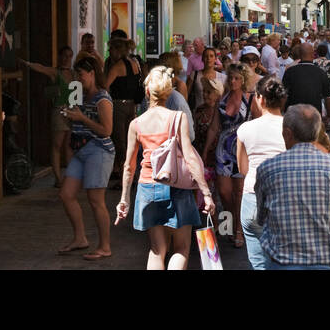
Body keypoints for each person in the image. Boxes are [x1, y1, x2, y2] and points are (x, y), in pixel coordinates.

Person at [115, 67, 214, 270]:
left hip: (147, 187)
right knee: (181, 248)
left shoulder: (136, 123)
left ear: (147, 92)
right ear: (169, 92)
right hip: (176, 186)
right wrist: (206, 192)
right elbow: (189, 157)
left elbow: (128, 166)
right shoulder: (178, 118)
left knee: (157, 250)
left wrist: (124, 198)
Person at [255, 105, 330, 269]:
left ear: (287, 133)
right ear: (317, 132)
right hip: (328, 262)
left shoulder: (267, 169)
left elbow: (261, 217)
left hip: (282, 262)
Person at [59, 55, 115, 260]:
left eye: (81, 75)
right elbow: (72, 124)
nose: (78, 78)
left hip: (99, 150)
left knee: (95, 200)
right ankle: (80, 238)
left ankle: (105, 246)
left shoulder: (102, 98)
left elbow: (106, 130)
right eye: (76, 75)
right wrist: (67, 115)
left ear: (92, 74)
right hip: (81, 150)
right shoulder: (78, 94)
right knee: (66, 194)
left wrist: (82, 118)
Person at [237, 76, 288, 269]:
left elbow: (243, 168)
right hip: (281, 199)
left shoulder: (245, 129)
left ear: (259, 98)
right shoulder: (290, 127)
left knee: (259, 263)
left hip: (252, 198)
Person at [208, 63, 253, 248]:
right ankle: (231, 220)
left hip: (242, 150)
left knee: (239, 192)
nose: (233, 81)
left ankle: (238, 230)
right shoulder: (222, 99)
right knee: (224, 192)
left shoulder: (250, 99)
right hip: (223, 151)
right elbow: (214, 127)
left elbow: (259, 123)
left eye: (237, 78)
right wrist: (205, 151)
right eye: (231, 78)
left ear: (243, 80)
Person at [21, 46, 75, 187]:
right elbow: (41, 68)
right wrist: (27, 64)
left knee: (69, 146)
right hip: (59, 110)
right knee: (57, 145)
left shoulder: (75, 73)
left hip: (74, 112)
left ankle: (69, 177)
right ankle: (58, 178)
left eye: (69, 56)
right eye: (64, 55)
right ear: (59, 56)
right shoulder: (55, 72)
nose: (66, 58)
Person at [104, 33, 144, 179]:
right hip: (132, 106)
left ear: (117, 50)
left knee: (119, 142)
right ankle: (131, 174)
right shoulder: (134, 63)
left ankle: (123, 176)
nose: (109, 53)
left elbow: (105, 86)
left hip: (118, 106)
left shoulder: (117, 66)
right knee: (130, 142)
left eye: (111, 49)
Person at [284, 40, 330, 117]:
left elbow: (282, 95)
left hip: (294, 116)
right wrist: (329, 116)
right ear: (313, 55)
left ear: (300, 55)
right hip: (314, 116)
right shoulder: (321, 73)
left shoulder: (290, 72)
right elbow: (329, 99)